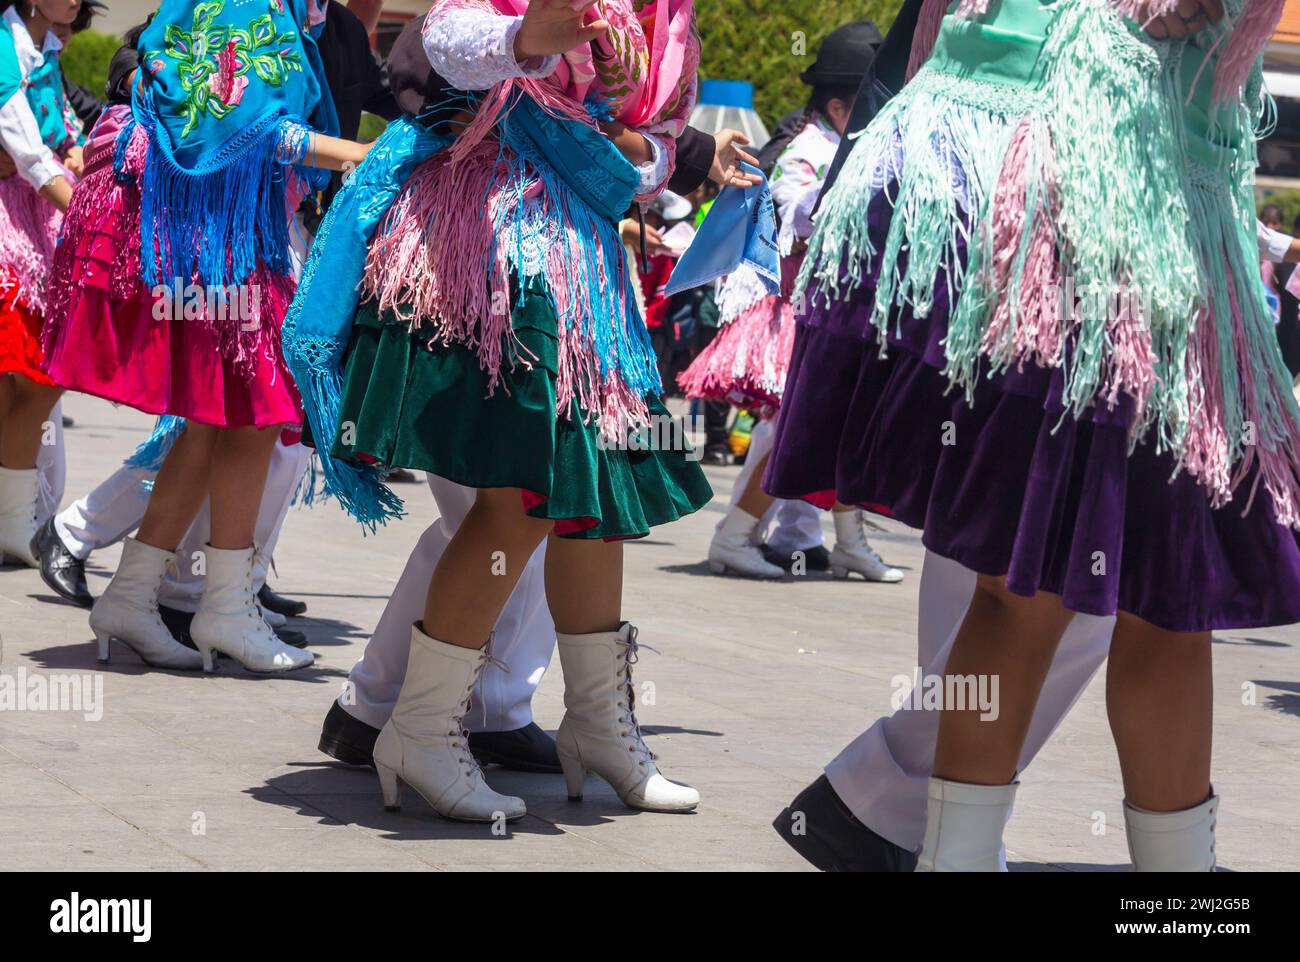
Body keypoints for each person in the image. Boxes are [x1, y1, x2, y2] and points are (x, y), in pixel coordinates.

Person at [767, 0, 1292, 871]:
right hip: (1060, 185)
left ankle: (1161, 895)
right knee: (1045, 586)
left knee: (1151, 593)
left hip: (1133, 191)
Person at [289, 0, 709, 822]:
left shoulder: (671, 19)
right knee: (514, 498)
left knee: (595, 505)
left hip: (588, 269)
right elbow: (443, 42)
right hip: (491, 250)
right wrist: (525, 41)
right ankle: (418, 726)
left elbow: (658, 155)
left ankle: (596, 724)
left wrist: (625, 145)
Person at [39, 0, 369, 672]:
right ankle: (223, 606)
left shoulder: (277, 9)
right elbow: (241, 132)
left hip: (227, 235)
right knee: (250, 416)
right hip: (212, 242)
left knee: (214, 420)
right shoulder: (248, 6)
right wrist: (363, 155)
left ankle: (136, 594)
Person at [680, 22, 902, 584]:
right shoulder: (808, 149)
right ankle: (734, 537)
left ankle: (845, 541)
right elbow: (796, 211)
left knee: (841, 425)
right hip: (805, 315)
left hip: (849, 311)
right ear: (837, 105)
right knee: (794, 428)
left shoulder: (855, 146)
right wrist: (858, 189)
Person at [0, 0, 79, 567]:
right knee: (26, 372)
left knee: (34, 377)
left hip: (35, 221)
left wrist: (74, 147)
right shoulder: (6, 45)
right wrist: (93, 230)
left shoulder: (45, 47)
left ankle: (12, 520)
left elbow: (54, 137)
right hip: (13, 227)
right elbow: (28, 153)